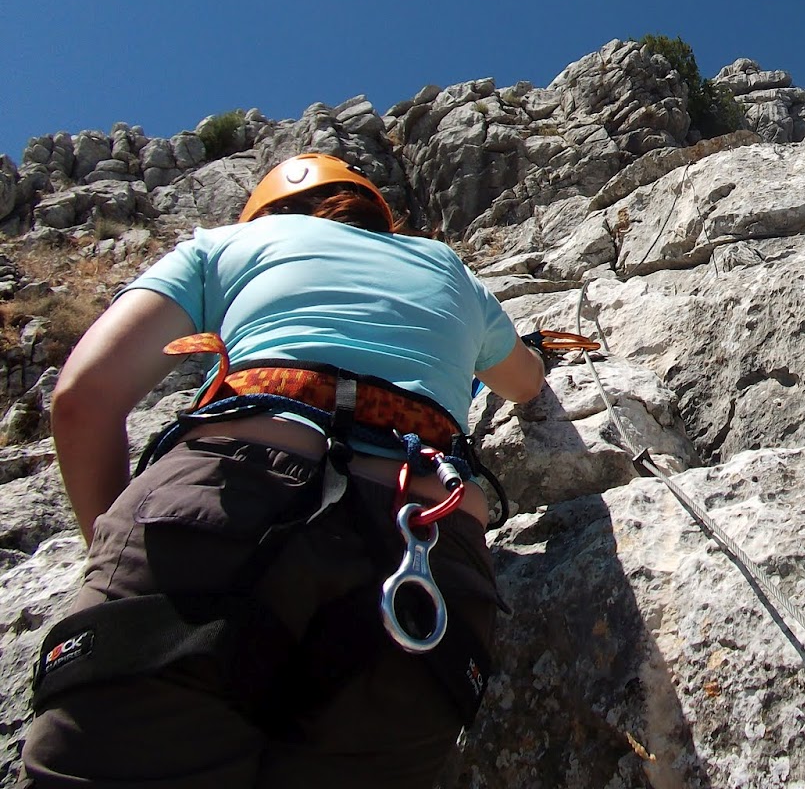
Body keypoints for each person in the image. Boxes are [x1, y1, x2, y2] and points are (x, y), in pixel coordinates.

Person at [22, 152, 546, 789]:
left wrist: (114, 551)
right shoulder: (449, 271)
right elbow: (524, 383)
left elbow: (81, 400)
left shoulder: (225, 246)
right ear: (378, 217)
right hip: (422, 545)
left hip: (216, 511)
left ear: (265, 212)